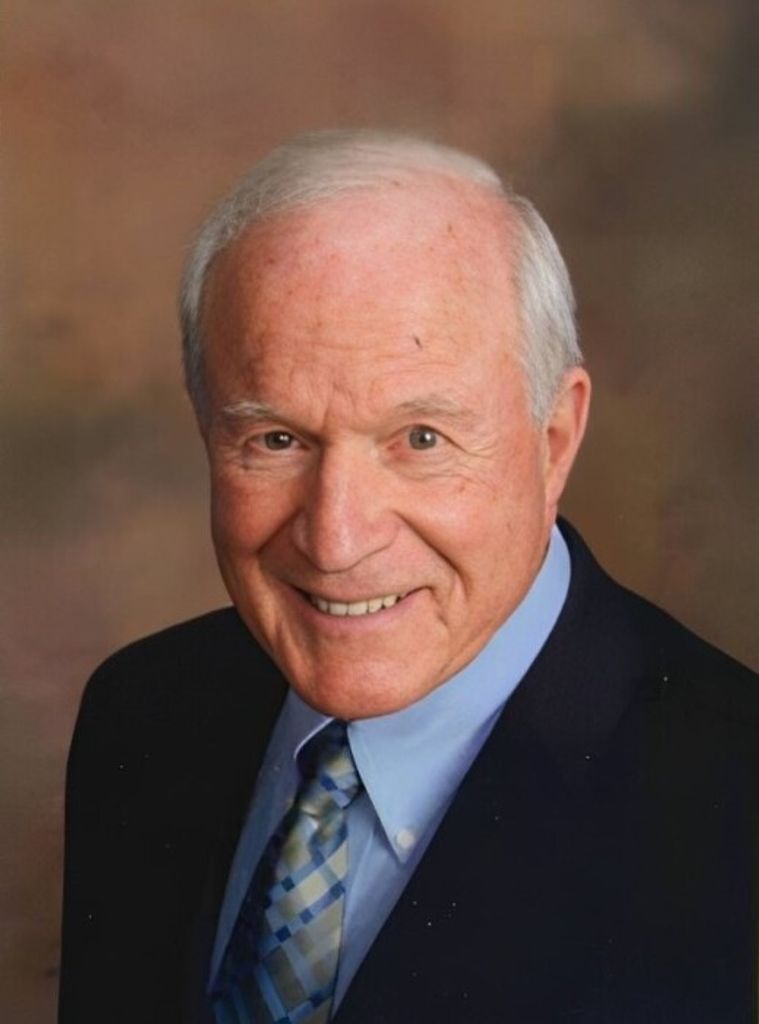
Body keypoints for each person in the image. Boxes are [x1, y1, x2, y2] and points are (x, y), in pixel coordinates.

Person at [59, 130, 758, 1024]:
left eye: (420, 440)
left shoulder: (729, 805)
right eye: (276, 439)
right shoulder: (143, 714)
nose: (337, 539)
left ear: (553, 442)